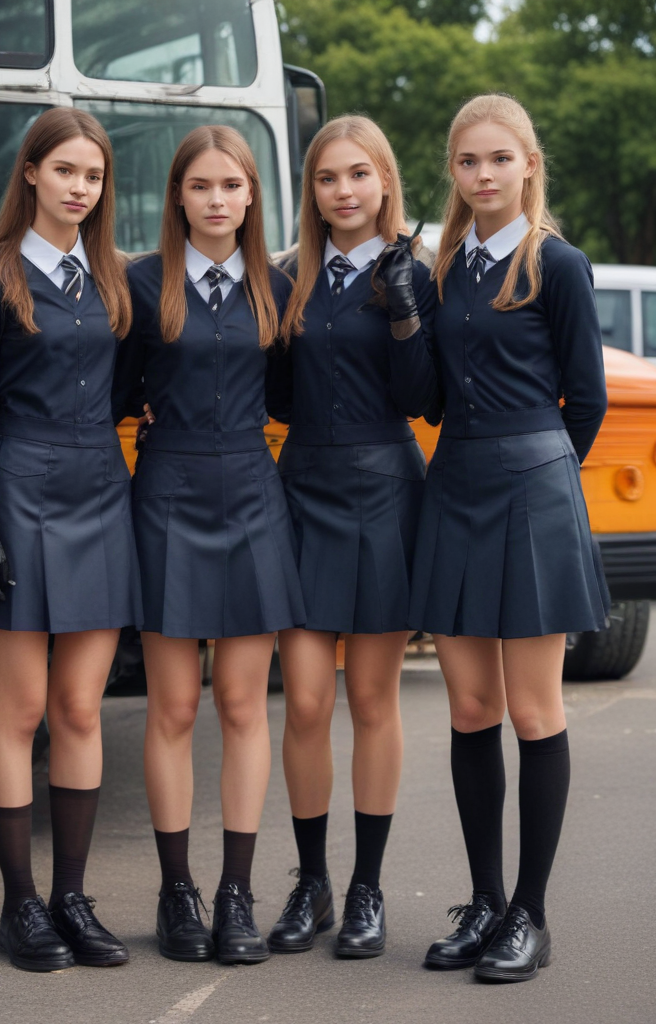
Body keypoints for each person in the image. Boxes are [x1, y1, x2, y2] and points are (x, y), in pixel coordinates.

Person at [409, 93, 608, 982]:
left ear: (528, 163)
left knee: (534, 712)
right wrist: (409, 315)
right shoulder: (444, 267)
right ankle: (485, 903)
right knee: (469, 711)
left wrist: (548, 481)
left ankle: (531, 914)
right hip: (453, 485)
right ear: (452, 172)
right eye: (467, 162)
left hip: (531, 489)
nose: (483, 175)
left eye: (498, 159)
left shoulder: (557, 264)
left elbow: (589, 398)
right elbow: (433, 400)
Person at [0, 107, 139, 971]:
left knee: (78, 710)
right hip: (19, 495)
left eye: (93, 176)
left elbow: (125, 392)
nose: (79, 187)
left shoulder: (114, 275)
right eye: (65, 170)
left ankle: (72, 898)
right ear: (30, 173)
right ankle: (19, 906)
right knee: (19, 710)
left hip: (100, 495)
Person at [113, 125, 304, 966]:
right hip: (167, 496)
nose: (218, 198)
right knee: (175, 706)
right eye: (201, 186)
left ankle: (236, 893)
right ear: (179, 197)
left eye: (232, 185)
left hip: (253, 495)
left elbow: (293, 395)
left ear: (252, 196)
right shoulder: (143, 284)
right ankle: (177, 892)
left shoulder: (280, 285)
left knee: (239, 705)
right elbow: (115, 395)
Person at [265, 115, 439, 958]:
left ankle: (367, 889)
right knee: (303, 701)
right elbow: (275, 395)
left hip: (381, 489)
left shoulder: (415, 272)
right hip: (302, 491)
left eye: (358, 175)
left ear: (383, 183)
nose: (343, 191)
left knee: (371, 701)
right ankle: (312, 886)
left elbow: (422, 396)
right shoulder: (288, 275)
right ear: (313, 190)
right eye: (328, 177)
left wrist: (406, 311)